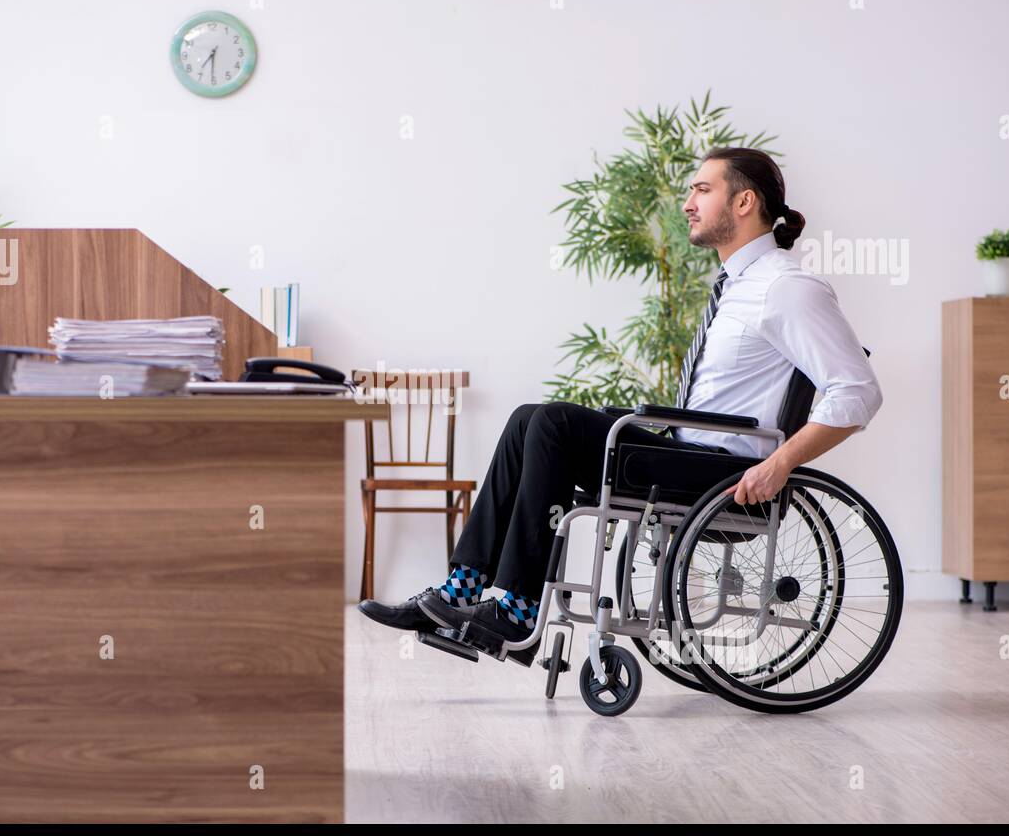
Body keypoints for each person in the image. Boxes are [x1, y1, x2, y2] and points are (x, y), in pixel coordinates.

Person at [359, 147, 882, 660]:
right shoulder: (739, 287)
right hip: (689, 452)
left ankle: (519, 608)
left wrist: (780, 463)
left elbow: (857, 391)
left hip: (724, 475)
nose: (688, 202)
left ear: (744, 202)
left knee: (555, 425)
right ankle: (461, 587)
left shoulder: (787, 287)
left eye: (703, 189)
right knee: (528, 420)